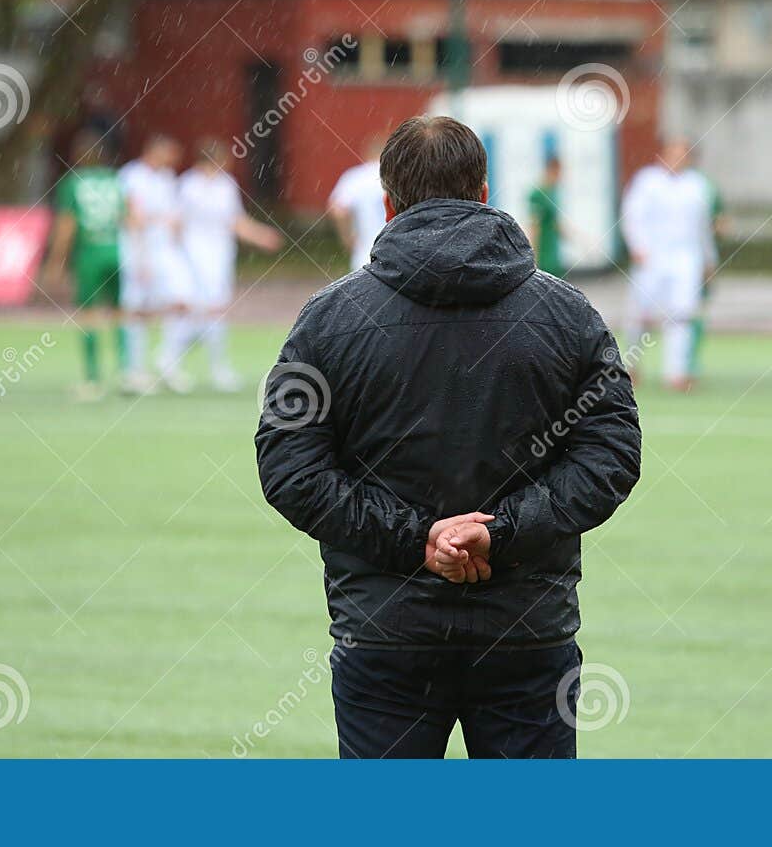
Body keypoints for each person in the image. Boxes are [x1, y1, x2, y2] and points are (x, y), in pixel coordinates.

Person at [255, 115, 641, 759]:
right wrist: (501, 533)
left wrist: (418, 541)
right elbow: (612, 453)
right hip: (525, 630)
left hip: (386, 632)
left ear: (387, 203)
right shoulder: (567, 313)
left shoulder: (328, 319)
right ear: (483, 193)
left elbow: (291, 469)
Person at [173, 139, 282, 391]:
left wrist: (260, 235)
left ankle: (204, 365)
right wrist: (177, 260)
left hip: (220, 257)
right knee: (198, 309)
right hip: (193, 256)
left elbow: (235, 221)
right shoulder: (188, 185)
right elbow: (177, 222)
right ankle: (178, 363)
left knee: (213, 310)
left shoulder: (226, 185)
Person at [621, 139, 718, 390]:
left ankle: (676, 372)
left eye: (681, 154)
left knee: (682, 314)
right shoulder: (647, 181)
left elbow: (703, 227)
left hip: (686, 258)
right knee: (641, 313)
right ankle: (631, 365)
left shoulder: (698, 185)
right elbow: (632, 216)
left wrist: (709, 259)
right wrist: (637, 246)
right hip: (652, 256)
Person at [45, 132, 124, 401]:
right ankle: (126, 371)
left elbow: (66, 225)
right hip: (116, 250)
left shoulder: (73, 183)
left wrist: (56, 261)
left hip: (90, 253)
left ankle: (93, 379)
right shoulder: (115, 180)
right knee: (120, 312)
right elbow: (130, 216)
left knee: (88, 316)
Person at [118, 136, 191, 394]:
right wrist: (140, 258)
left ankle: (167, 359)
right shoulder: (131, 176)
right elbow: (131, 216)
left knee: (182, 301)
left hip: (166, 251)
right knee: (137, 309)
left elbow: (174, 216)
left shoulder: (167, 178)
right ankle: (134, 369)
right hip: (138, 250)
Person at [328, 137, 387, 274]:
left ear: (367, 154)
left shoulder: (355, 177)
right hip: (398, 254)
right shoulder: (399, 176)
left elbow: (338, 211)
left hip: (365, 254)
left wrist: (347, 238)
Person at [527, 152, 566, 277]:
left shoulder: (553, 192)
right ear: (552, 169)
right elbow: (534, 228)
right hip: (543, 258)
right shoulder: (537, 195)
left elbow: (556, 225)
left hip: (554, 258)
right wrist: (533, 260)